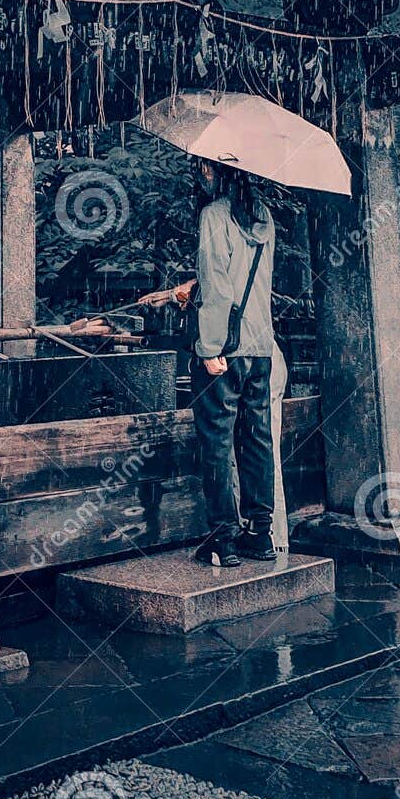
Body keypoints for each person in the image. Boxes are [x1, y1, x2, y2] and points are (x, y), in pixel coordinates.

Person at [141, 157, 277, 567]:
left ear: (214, 170)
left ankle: (223, 537)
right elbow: (243, 281)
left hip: (224, 346)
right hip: (260, 344)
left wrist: (209, 347)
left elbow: (218, 287)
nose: (200, 174)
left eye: (203, 168)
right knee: (256, 438)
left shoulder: (214, 215)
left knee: (217, 441)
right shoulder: (262, 216)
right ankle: (260, 533)